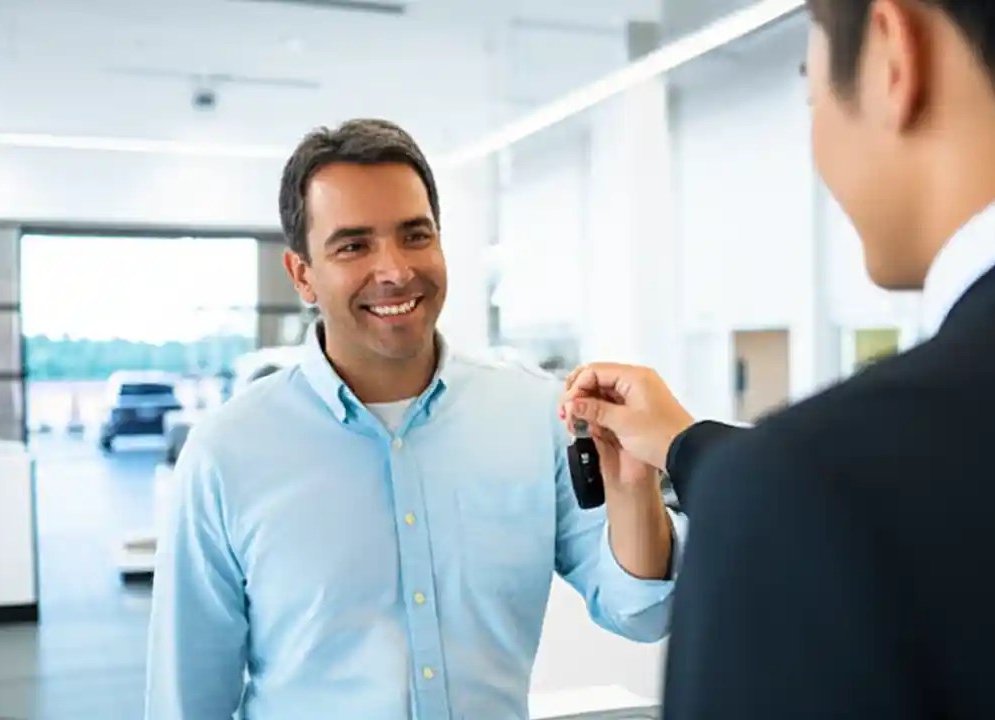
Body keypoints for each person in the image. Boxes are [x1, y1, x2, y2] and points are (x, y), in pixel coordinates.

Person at [564, 1, 995, 717]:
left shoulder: (811, 497)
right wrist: (689, 446)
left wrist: (758, 488)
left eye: (810, 89)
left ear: (893, 56)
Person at [145, 119, 685, 719]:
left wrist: (634, 486)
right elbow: (186, 700)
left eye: (414, 235)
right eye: (354, 246)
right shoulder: (227, 452)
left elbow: (641, 612)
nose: (396, 270)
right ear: (302, 275)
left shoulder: (537, 415)